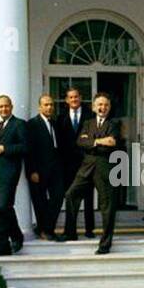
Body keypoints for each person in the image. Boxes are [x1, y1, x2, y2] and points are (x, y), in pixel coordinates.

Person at [58, 91, 127, 254]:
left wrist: (91, 141)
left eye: (106, 105)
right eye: (100, 104)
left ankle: (105, 243)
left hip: (105, 167)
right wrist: (98, 141)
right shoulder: (88, 122)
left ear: (109, 107)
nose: (103, 107)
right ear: (94, 107)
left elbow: (113, 142)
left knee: (107, 205)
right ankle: (70, 232)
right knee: (71, 195)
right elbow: (80, 141)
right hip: (87, 166)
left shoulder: (115, 124)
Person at [0, 95, 27, 256]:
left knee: (4, 206)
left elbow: (25, 147)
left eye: (6, 106)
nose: (3, 109)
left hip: (7, 173)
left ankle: (16, 236)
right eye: (0, 107)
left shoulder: (19, 124)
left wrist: (4, 149)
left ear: (11, 107)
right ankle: (2, 246)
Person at [54, 87, 95, 238]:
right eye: (70, 97)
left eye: (76, 97)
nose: (74, 100)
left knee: (89, 197)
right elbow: (59, 143)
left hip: (87, 162)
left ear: (81, 97)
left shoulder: (90, 116)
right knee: (71, 197)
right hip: (68, 164)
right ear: (66, 100)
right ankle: (70, 231)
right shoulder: (60, 118)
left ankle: (89, 230)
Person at [24, 93, 65, 239]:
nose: (49, 107)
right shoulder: (32, 124)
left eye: (51, 105)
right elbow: (28, 150)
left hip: (55, 169)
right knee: (40, 201)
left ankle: (47, 228)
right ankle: (45, 230)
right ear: (39, 107)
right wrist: (32, 170)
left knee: (58, 197)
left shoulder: (55, 123)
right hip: (39, 170)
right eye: (46, 105)